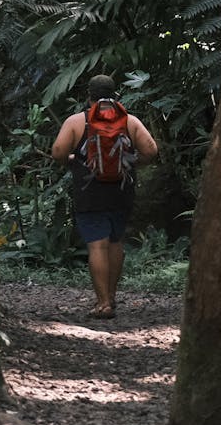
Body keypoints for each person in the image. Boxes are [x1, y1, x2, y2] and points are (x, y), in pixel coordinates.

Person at [51, 74, 158, 319]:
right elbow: (151, 150)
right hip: (121, 189)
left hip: (89, 191)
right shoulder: (128, 121)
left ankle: (103, 304)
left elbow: (57, 152)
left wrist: (71, 160)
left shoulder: (78, 121)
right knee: (115, 242)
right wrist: (129, 162)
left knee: (97, 245)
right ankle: (111, 296)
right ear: (116, 95)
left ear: (89, 96)